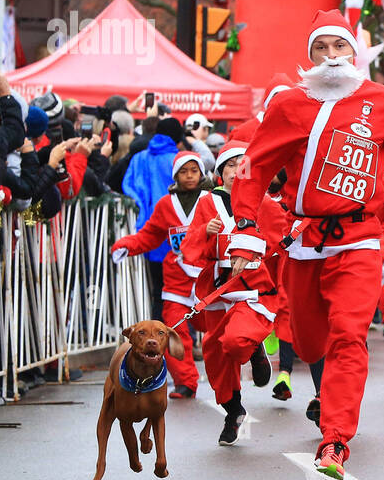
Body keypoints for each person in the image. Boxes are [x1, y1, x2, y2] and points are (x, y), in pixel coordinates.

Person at [225, 9, 384, 479]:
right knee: (306, 341)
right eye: (320, 48)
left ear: (354, 52)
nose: (331, 57)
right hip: (305, 241)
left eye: (339, 46)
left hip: (360, 240)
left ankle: (335, 440)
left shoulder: (381, 100)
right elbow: (254, 168)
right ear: (309, 57)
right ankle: (302, 367)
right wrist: (245, 226)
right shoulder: (290, 106)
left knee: (349, 335)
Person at [181, 142, 282, 444]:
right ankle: (233, 410)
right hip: (217, 290)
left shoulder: (262, 203)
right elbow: (190, 248)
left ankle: (254, 350)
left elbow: (279, 240)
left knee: (237, 341)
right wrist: (206, 233)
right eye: (231, 165)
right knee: (215, 356)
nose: (238, 171)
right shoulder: (206, 203)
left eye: (243, 165)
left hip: (250, 289)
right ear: (220, 173)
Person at [111, 150, 209, 397]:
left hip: (210, 277)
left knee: (217, 333)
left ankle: (228, 378)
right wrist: (125, 245)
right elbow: (150, 235)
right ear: (175, 175)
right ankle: (186, 381)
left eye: (194, 171)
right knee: (173, 329)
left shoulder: (212, 200)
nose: (189, 176)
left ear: (201, 173)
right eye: (184, 172)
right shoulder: (166, 204)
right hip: (177, 278)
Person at [123, 116, 188, 320]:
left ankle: (155, 343)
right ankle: (180, 342)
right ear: (178, 137)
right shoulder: (180, 161)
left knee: (157, 292)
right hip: (179, 235)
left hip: (149, 233)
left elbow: (128, 187)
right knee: (183, 293)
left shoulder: (139, 158)